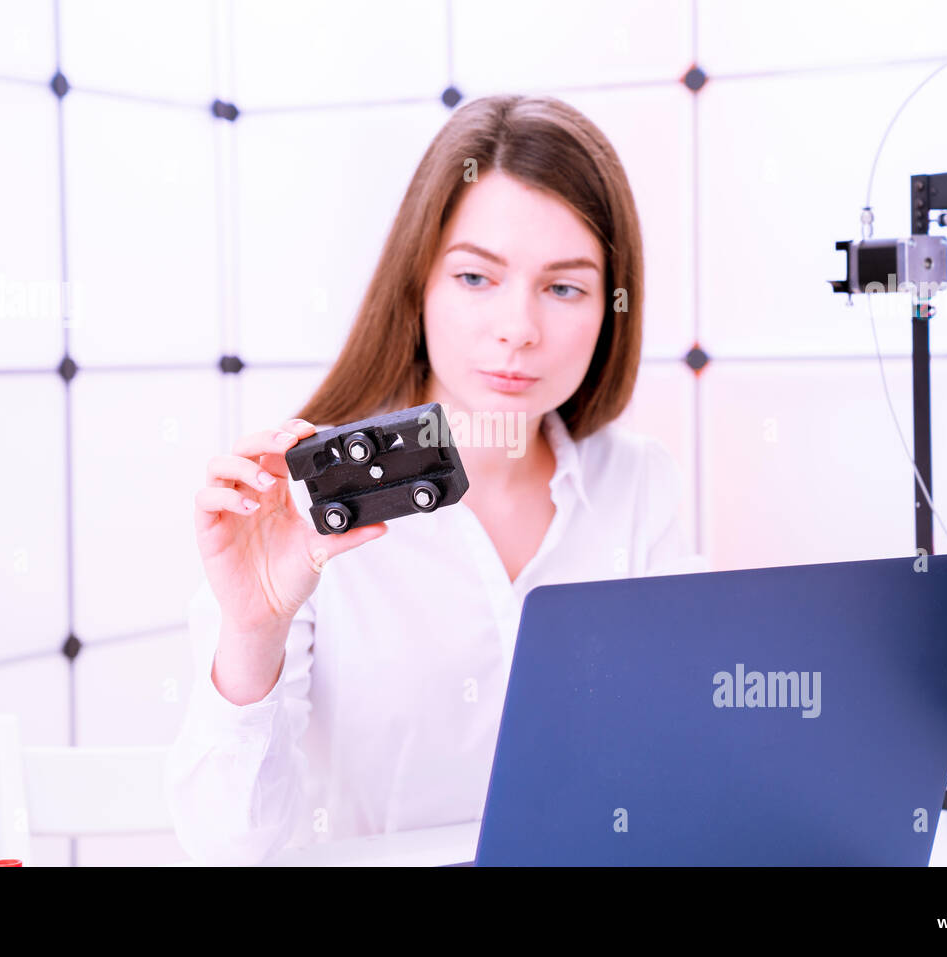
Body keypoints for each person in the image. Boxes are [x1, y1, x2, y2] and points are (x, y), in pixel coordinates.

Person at [165, 93, 707, 865]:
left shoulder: (639, 482)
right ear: (418, 281)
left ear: (610, 309)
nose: (519, 327)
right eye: (477, 277)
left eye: (564, 287)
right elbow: (228, 849)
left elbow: (679, 762)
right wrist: (252, 630)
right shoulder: (305, 507)